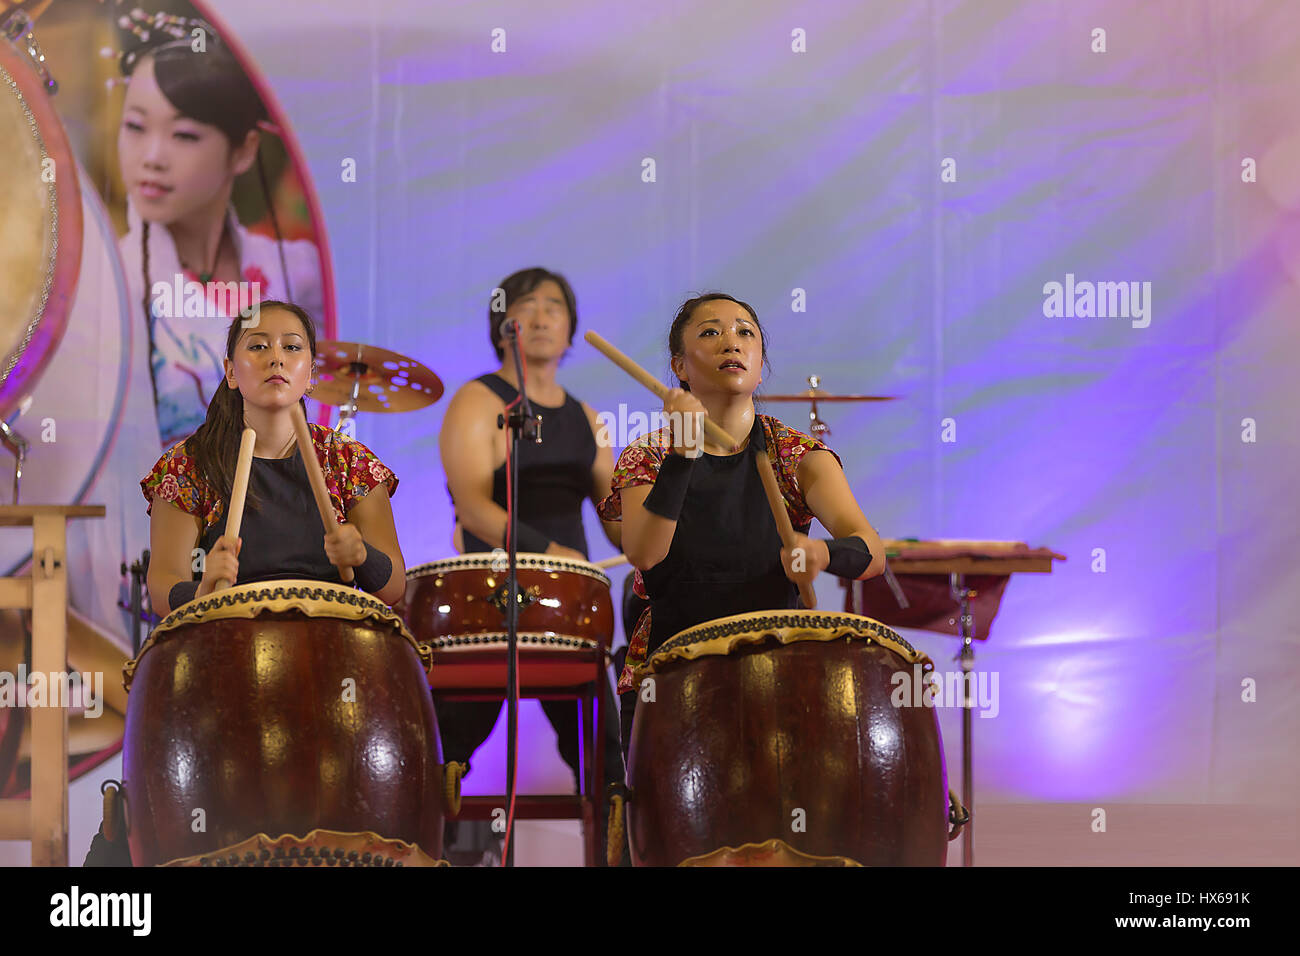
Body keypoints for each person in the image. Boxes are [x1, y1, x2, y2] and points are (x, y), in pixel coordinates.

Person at [595, 293, 888, 758]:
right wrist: (683, 456)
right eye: (710, 332)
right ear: (680, 367)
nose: (731, 341)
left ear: (760, 361)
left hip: (776, 673)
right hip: (671, 674)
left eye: (745, 332)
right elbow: (645, 554)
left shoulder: (798, 456)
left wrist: (821, 554)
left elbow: (872, 553)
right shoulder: (648, 455)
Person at [438, 267, 625, 864]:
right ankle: (428, 827)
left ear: (570, 330)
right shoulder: (478, 398)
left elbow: (619, 521)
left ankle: (611, 835)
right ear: (503, 324)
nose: (542, 317)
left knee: (599, 750)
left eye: (555, 307)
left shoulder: (586, 416)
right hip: (490, 596)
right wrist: (544, 551)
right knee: (452, 740)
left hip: (569, 602)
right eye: (528, 305)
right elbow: (472, 505)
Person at [116, 14, 324, 449]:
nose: (151, 156)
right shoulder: (111, 279)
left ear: (244, 150)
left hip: (270, 498)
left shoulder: (298, 274)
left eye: (184, 135)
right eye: (135, 126)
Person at [142, 301, 404, 615]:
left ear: (311, 373)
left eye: (292, 347)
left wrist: (362, 556)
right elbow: (162, 587)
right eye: (258, 346)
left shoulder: (349, 461)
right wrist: (202, 590)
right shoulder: (189, 464)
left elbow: (394, 588)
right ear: (231, 372)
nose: (276, 358)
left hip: (331, 643)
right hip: (226, 639)